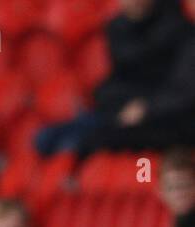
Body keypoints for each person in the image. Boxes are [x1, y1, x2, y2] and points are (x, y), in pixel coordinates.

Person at [36, 0, 193, 158]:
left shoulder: (182, 31)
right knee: (45, 138)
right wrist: (102, 97)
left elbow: (184, 90)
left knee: (77, 142)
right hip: (118, 112)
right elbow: (118, 80)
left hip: (162, 119)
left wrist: (147, 107)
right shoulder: (118, 29)